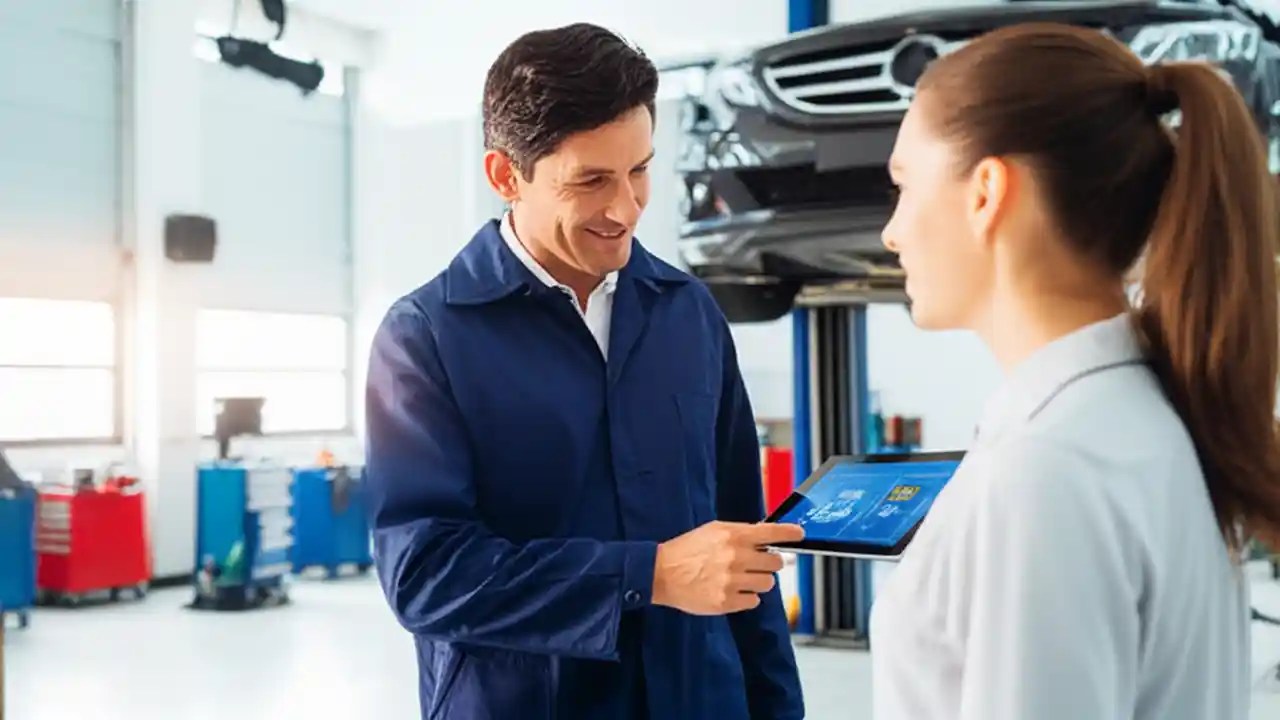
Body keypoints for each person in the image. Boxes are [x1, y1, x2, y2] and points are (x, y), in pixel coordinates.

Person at [363, 23, 805, 720]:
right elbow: (426, 577)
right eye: (592, 180)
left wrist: (778, 709)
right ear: (506, 175)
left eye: (639, 170)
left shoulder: (688, 314)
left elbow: (740, 542)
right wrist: (647, 577)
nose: (626, 207)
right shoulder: (425, 337)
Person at [871, 22, 1280, 720]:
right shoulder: (1140, 419)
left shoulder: (1044, 470)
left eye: (904, 187)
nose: (892, 231)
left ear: (986, 193)